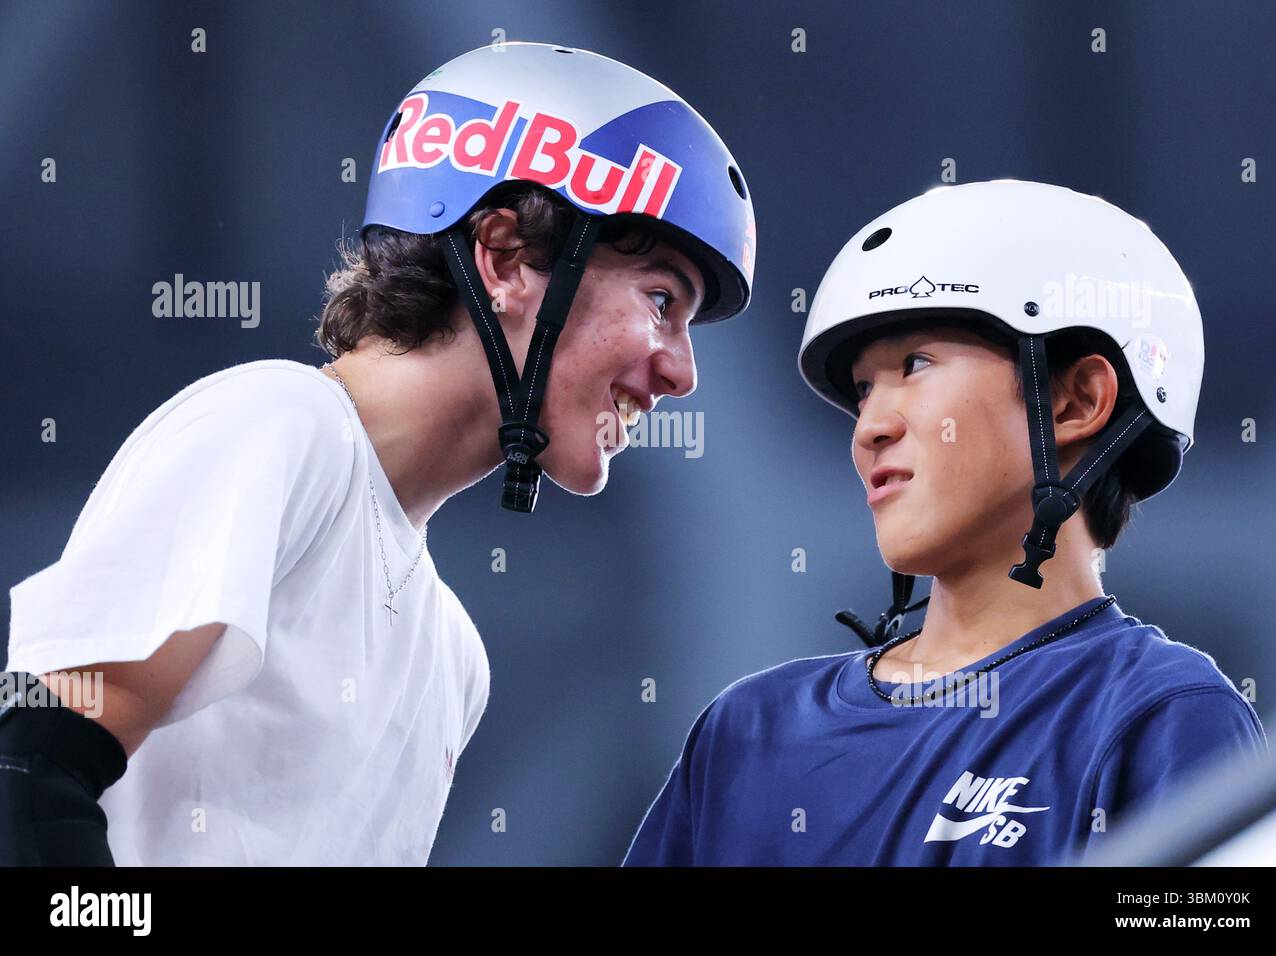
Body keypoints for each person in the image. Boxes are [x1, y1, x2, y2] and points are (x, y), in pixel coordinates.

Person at [0, 41, 756, 866]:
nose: (681, 372)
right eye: (660, 300)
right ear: (504, 256)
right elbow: (24, 770)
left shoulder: (453, 654)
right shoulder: (283, 428)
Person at [623, 179, 1265, 866]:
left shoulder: (1165, 718)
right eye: (865, 389)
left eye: (916, 364)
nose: (870, 426)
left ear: (1079, 402)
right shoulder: (747, 728)